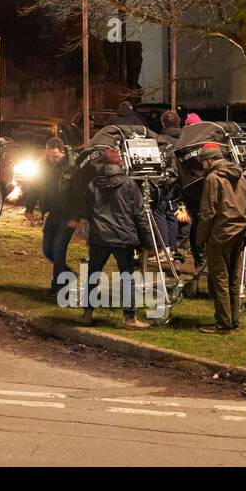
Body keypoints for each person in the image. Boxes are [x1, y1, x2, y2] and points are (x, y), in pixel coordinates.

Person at [78, 147, 149, 329]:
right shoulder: (129, 184)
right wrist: (146, 240)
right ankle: (129, 317)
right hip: (122, 237)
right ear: (120, 163)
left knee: (93, 274)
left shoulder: (93, 183)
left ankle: (87, 313)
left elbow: (86, 210)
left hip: (99, 237)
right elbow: (139, 213)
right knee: (127, 277)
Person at [194, 143, 246, 333]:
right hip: (240, 230)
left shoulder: (213, 178)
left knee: (220, 278)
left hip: (221, 233)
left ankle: (223, 323)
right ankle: (234, 319)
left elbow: (207, 211)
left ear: (210, 160)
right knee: (234, 278)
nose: (202, 164)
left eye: (203, 161)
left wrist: (200, 239)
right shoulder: (240, 174)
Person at [39, 137, 76, 291]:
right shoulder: (44, 165)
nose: (52, 159)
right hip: (53, 212)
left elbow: (79, 194)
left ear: (63, 152)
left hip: (68, 214)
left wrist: (77, 217)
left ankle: (58, 287)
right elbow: (36, 186)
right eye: (49, 156)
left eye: (55, 156)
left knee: (58, 250)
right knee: (47, 249)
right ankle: (67, 274)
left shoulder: (73, 167)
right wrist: (29, 208)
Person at [154, 110, 184, 260]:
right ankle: (172, 248)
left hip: (166, 180)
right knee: (172, 213)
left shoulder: (160, 139)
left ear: (163, 123)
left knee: (159, 212)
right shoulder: (185, 137)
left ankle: (164, 249)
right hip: (181, 181)